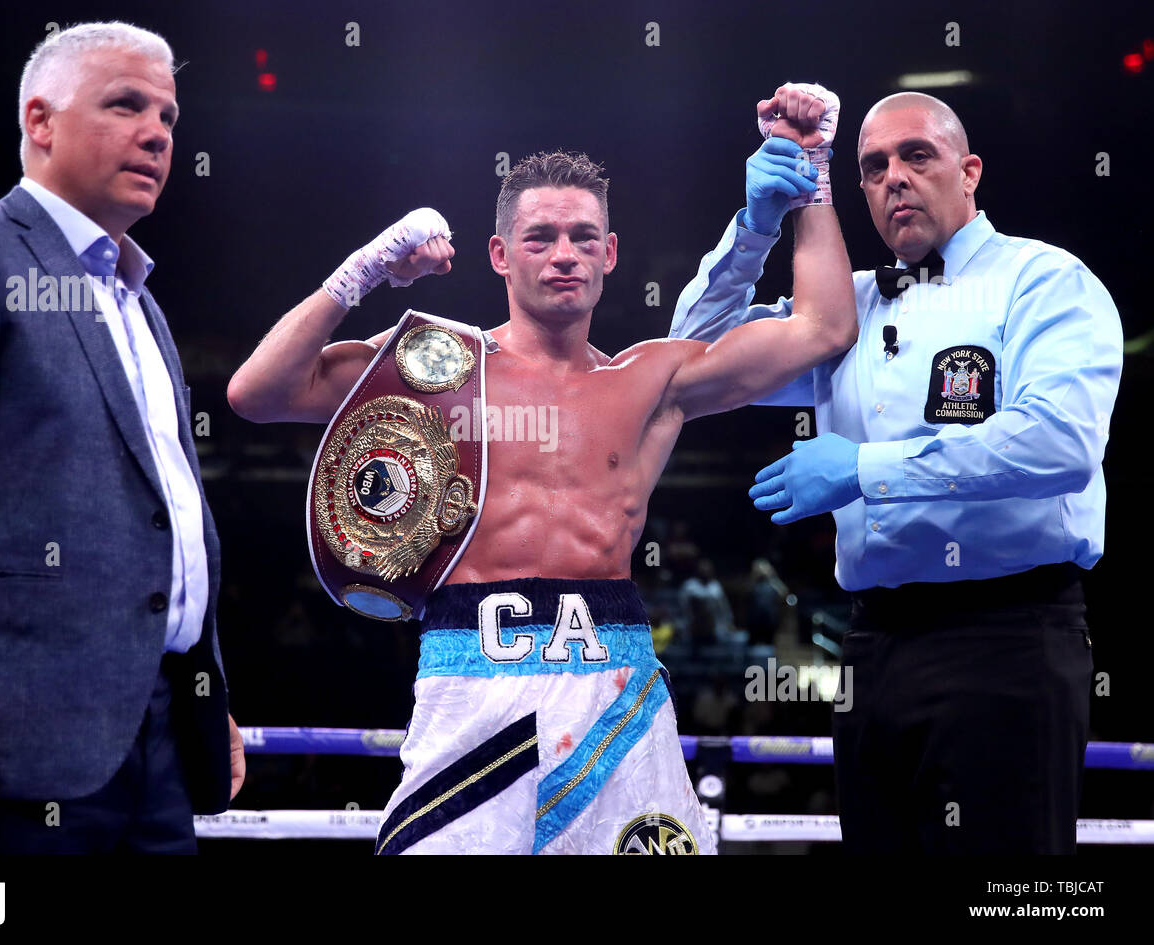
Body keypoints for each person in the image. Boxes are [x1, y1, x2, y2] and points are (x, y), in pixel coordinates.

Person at [228, 86, 856, 854]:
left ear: (610, 253)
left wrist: (815, 166)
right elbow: (257, 393)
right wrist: (363, 272)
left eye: (584, 237)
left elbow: (824, 328)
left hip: (615, 685)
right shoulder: (436, 368)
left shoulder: (650, 378)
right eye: (541, 237)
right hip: (469, 685)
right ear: (500, 254)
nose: (565, 254)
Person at [670, 90, 1123, 853]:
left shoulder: (1044, 280)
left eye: (917, 155)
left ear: (969, 170)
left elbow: (1058, 442)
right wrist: (754, 227)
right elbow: (691, 360)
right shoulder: (841, 310)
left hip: (1007, 636)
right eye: (873, 166)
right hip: (873, 643)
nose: (893, 178)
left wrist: (868, 467)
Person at [0, 22, 242, 854]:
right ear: (41, 122)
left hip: (159, 737)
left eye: (169, 118)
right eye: (126, 105)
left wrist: (200, 692)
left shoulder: (141, 302)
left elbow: (160, 519)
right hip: (7, 744)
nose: (156, 133)